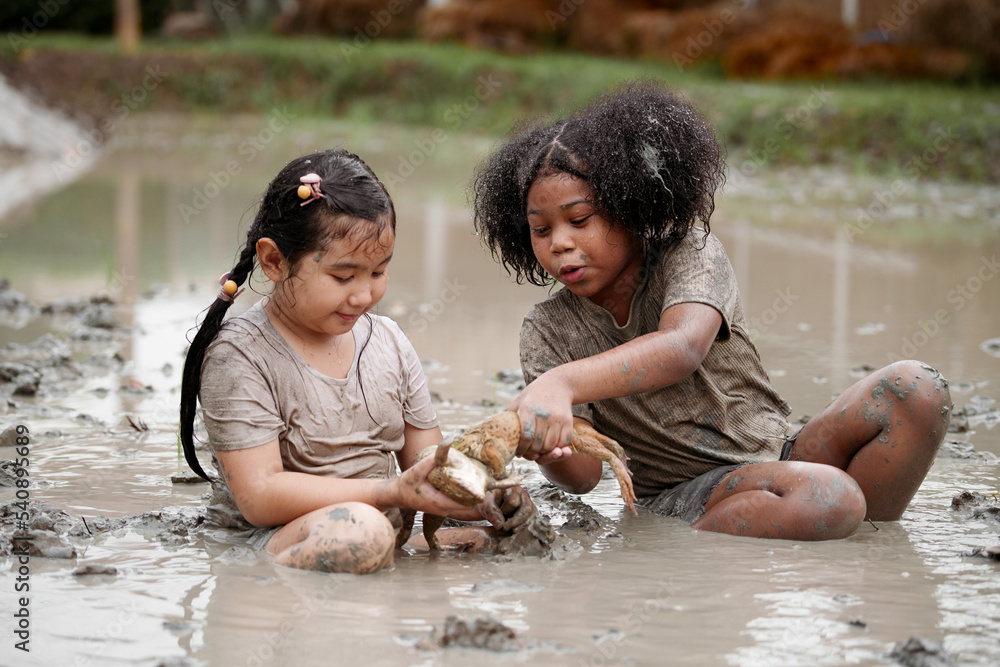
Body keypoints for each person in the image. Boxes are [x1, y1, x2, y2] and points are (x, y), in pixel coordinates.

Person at [471, 81, 951, 541]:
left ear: (630, 204)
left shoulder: (690, 252)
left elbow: (681, 347)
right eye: (540, 230)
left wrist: (560, 382)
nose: (560, 243)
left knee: (917, 388)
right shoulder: (548, 330)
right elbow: (584, 477)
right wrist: (548, 447)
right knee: (831, 496)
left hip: (781, 453)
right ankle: (704, 549)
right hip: (682, 495)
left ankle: (850, 543)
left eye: (579, 220)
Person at [179, 149, 533, 574]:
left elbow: (426, 465)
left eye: (378, 272)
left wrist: (482, 493)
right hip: (271, 541)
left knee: (513, 533)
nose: (364, 296)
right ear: (274, 261)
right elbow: (259, 495)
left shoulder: (388, 342)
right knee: (361, 532)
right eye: (343, 277)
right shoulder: (241, 355)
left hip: (382, 528)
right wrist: (392, 492)